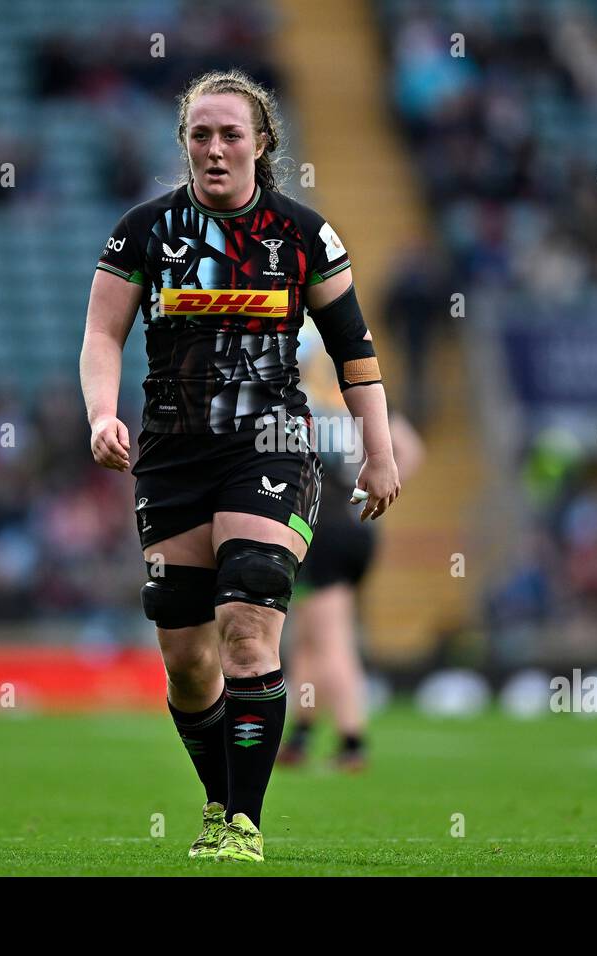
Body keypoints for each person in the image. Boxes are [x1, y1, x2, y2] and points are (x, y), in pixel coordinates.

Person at [79, 69, 401, 862]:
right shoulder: (144, 233)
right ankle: (220, 803)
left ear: (263, 143)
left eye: (231, 134)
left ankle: (245, 824)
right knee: (189, 665)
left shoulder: (304, 236)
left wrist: (380, 455)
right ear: (184, 144)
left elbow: (357, 355)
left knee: (249, 625)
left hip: (271, 446)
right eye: (200, 134)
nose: (216, 148)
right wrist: (100, 413)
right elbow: (101, 337)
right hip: (171, 455)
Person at [279, 322, 423, 771]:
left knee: (330, 638)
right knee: (308, 638)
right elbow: (410, 450)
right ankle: (300, 738)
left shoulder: (289, 387)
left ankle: (352, 740)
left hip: (319, 520)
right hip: (352, 522)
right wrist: (366, 492)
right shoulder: (356, 385)